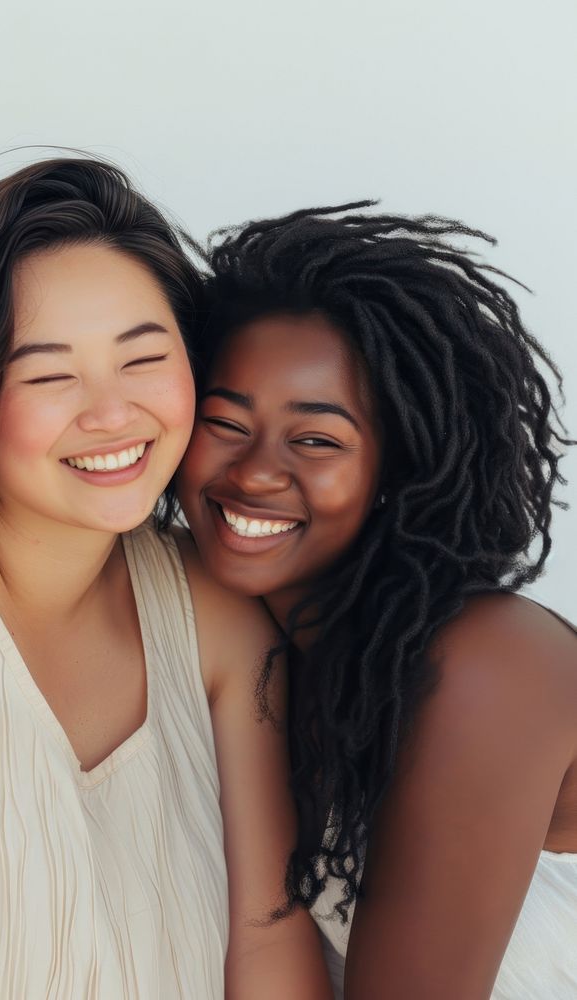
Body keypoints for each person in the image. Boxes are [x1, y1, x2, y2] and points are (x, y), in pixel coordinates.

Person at [0, 158, 332, 1000]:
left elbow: (269, 941)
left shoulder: (211, 605)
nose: (112, 414)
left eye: (142, 359)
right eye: (49, 375)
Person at [176, 202, 577, 999]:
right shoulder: (238, 642)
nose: (255, 473)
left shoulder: (486, 660)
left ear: (400, 467)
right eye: (224, 422)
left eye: (316, 439)